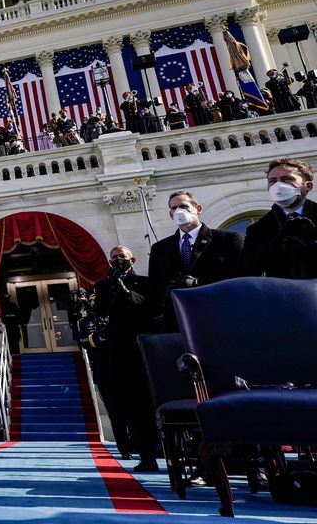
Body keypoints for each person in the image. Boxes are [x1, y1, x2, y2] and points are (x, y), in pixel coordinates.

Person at [92, 246, 159, 472]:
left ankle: (160, 449)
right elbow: (101, 311)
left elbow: (148, 307)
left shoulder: (145, 282)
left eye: (122, 256)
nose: (118, 260)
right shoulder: (103, 286)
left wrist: (125, 291)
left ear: (132, 259)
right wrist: (113, 287)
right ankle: (146, 456)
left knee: (148, 403)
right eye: (114, 257)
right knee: (130, 406)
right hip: (119, 352)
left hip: (143, 349)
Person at [148, 191, 244, 332]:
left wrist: (199, 283)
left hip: (221, 316)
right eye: (174, 208)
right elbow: (154, 287)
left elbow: (241, 277)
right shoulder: (160, 248)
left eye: (183, 206)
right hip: (179, 322)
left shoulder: (227, 239)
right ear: (171, 215)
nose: (178, 211)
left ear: (198, 209)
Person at [242, 158, 317, 278]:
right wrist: (281, 239)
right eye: (272, 181)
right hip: (283, 289)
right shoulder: (258, 229)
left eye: (286, 179)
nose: (278, 185)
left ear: (308, 186)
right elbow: (246, 269)